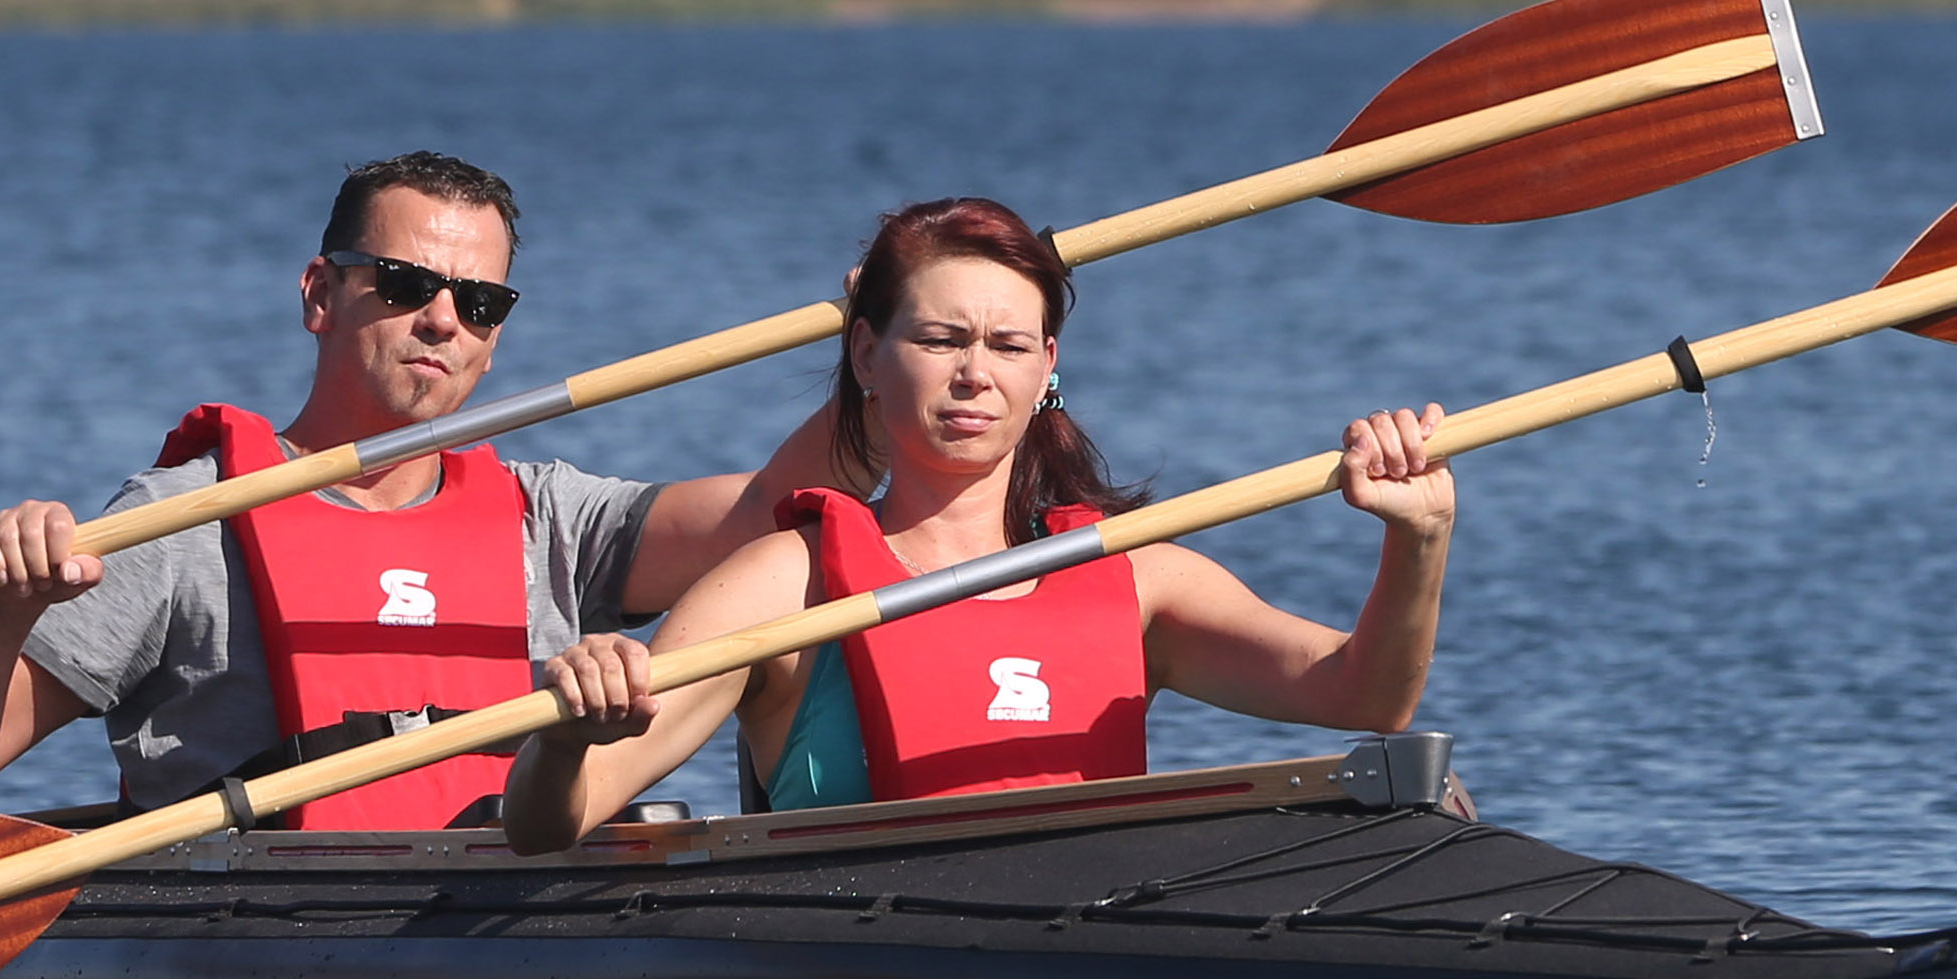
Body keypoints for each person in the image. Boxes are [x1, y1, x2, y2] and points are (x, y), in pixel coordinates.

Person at [0, 150, 844, 828]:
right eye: (400, 283)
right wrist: (0, 613)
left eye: (477, 303)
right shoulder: (184, 519)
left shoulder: (549, 517)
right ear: (319, 295)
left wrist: (887, 364)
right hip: (267, 935)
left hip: (501, 914)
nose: (441, 320)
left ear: (496, 333)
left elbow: (774, 516)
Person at [502, 195, 1453, 849]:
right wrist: (570, 732)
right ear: (867, 355)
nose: (974, 375)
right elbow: (554, 822)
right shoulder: (778, 585)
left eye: (1006, 345)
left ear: (1047, 367)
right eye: (940, 338)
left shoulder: (1136, 574)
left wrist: (1417, 540)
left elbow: (1365, 698)